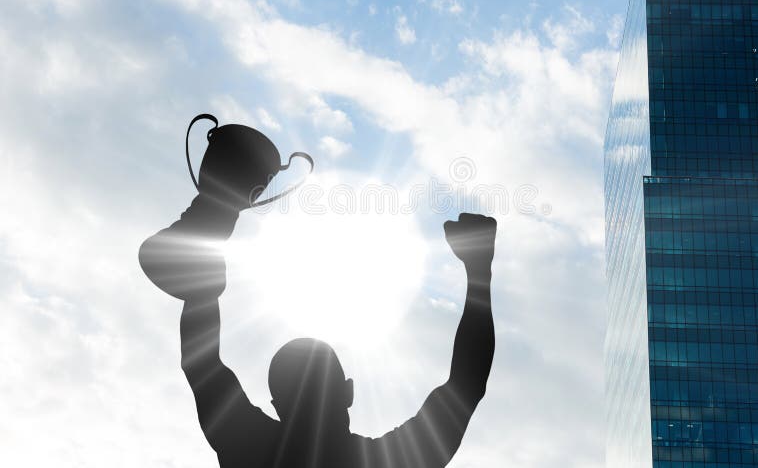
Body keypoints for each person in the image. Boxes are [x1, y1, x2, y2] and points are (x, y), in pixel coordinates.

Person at [139, 191, 496, 468]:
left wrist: (211, 229)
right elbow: (466, 384)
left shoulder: (247, 445)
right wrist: (478, 269)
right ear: (348, 392)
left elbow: (202, 364)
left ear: (278, 405)